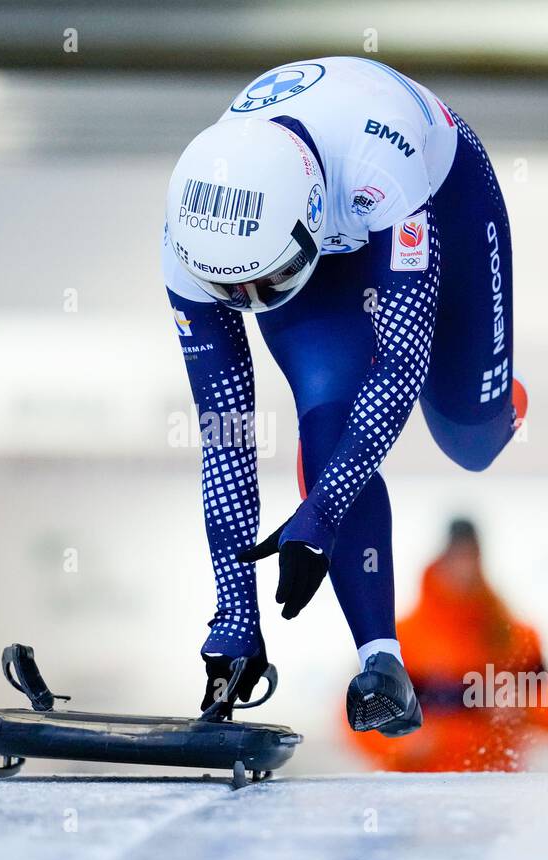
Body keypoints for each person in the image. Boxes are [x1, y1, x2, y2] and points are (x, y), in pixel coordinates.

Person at [164, 58, 526, 736]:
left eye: (264, 287)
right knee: (327, 423)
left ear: (304, 222)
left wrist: (321, 515)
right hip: (323, 251)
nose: (248, 307)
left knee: (468, 437)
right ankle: (382, 666)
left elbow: (401, 361)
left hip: (431, 191)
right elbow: (226, 437)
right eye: (233, 297)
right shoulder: (190, 245)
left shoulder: (377, 155)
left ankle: (499, 400)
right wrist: (235, 616)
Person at [351, 519, 548, 770]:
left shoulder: (515, 637)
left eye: (471, 556)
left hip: (496, 791)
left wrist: (525, 708)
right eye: (457, 556)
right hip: (421, 793)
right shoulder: (400, 639)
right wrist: (402, 745)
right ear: (441, 560)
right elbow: (357, 716)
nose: (464, 568)